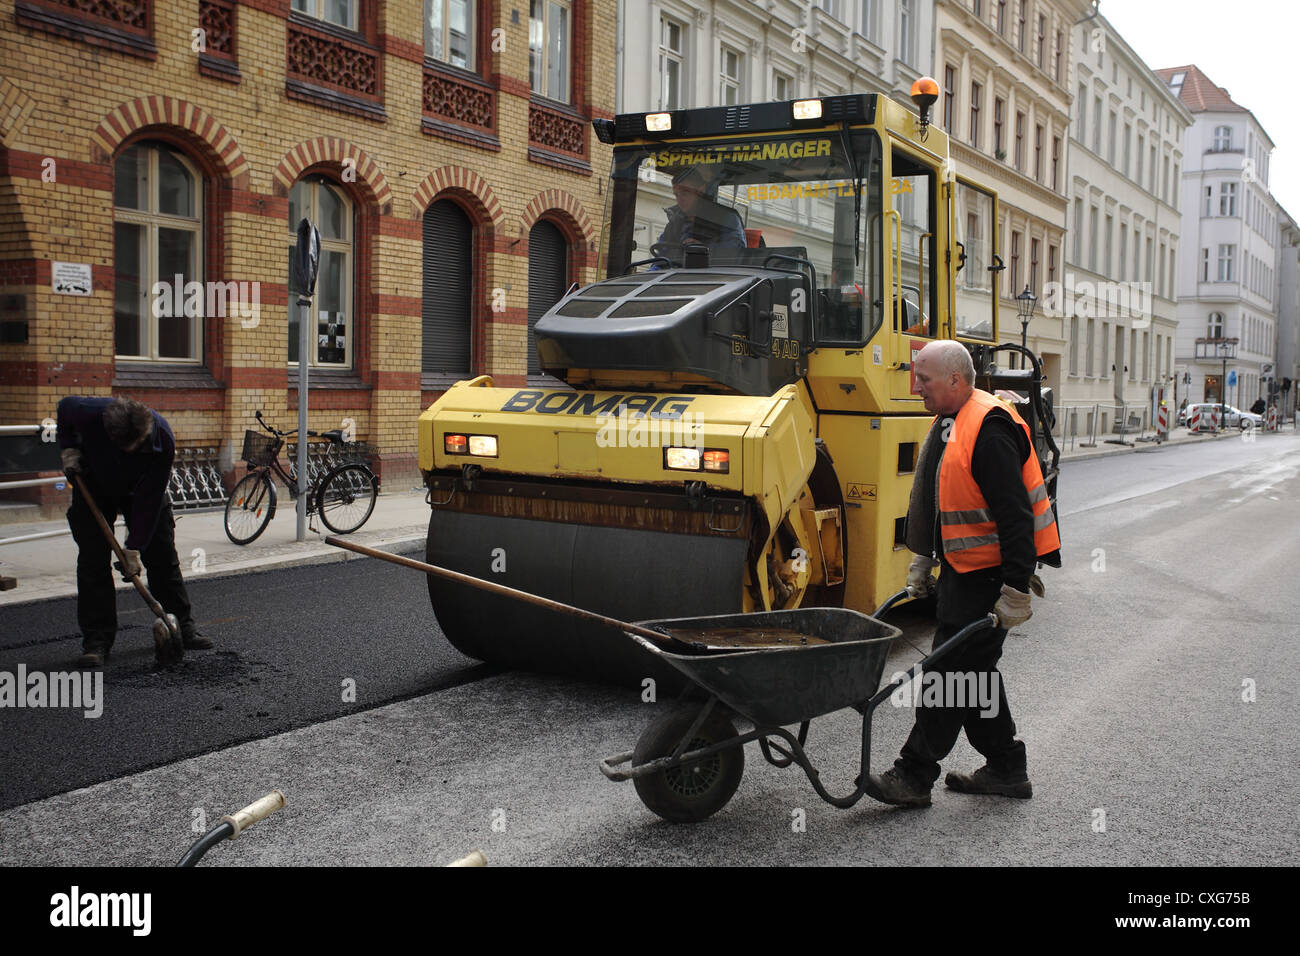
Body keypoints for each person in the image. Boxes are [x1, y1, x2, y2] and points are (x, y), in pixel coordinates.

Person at [864, 340, 1060, 808]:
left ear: (955, 379)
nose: (915, 386)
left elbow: (1015, 518)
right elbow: (943, 500)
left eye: (923, 379)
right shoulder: (951, 423)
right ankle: (1007, 768)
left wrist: (1015, 589)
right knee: (973, 674)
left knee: (947, 675)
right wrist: (925, 559)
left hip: (989, 579)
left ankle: (913, 775)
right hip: (962, 573)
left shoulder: (988, 428)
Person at [57, 396, 211, 667]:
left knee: (162, 556)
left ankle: (182, 627)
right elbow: (63, 409)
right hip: (93, 485)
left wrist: (134, 547)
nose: (128, 451)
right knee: (93, 560)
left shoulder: (162, 438)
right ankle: (97, 641)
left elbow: (149, 500)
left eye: (134, 447)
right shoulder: (87, 412)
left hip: (140, 490)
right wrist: (69, 449)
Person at [656, 166, 746, 256]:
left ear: (701, 190)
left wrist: (704, 249)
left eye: (685, 193)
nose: (680, 199)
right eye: (676, 195)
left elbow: (735, 252)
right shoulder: (674, 223)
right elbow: (660, 258)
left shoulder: (727, 218)